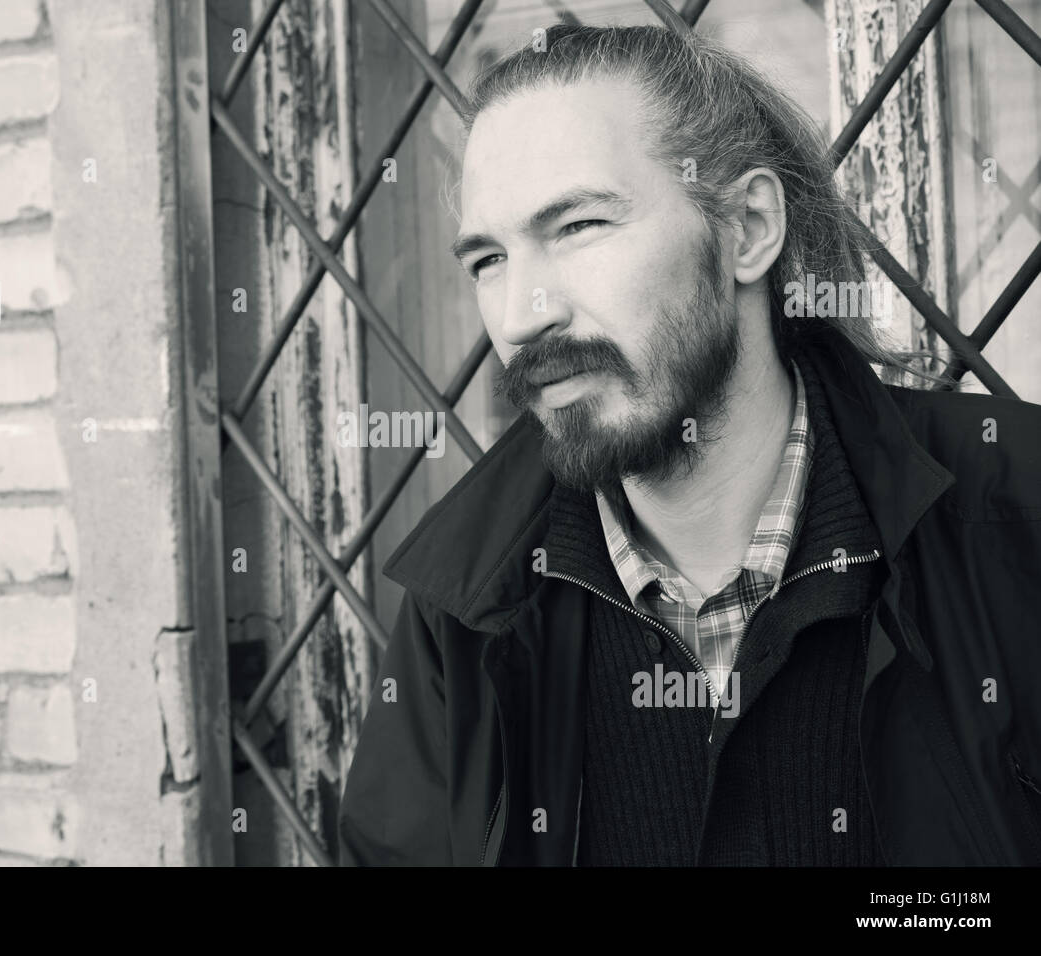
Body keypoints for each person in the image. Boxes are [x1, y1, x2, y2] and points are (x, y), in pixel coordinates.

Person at [336, 24, 1041, 866]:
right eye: (488, 258)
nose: (522, 314)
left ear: (746, 228)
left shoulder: (1016, 512)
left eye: (579, 226)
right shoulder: (465, 605)